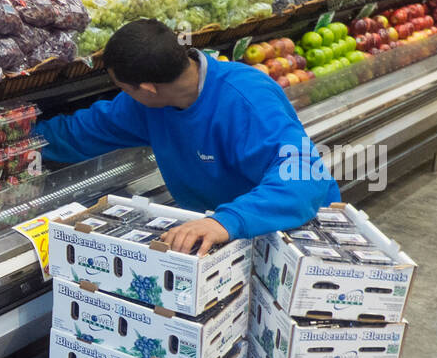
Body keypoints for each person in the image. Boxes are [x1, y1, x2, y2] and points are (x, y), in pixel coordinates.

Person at [35, 19, 339, 255]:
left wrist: (225, 221)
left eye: (124, 88)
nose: (123, 96)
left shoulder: (246, 99)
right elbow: (85, 130)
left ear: (148, 88)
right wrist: (26, 144)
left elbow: (303, 177)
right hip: (223, 234)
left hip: (296, 230)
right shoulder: (147, 105)